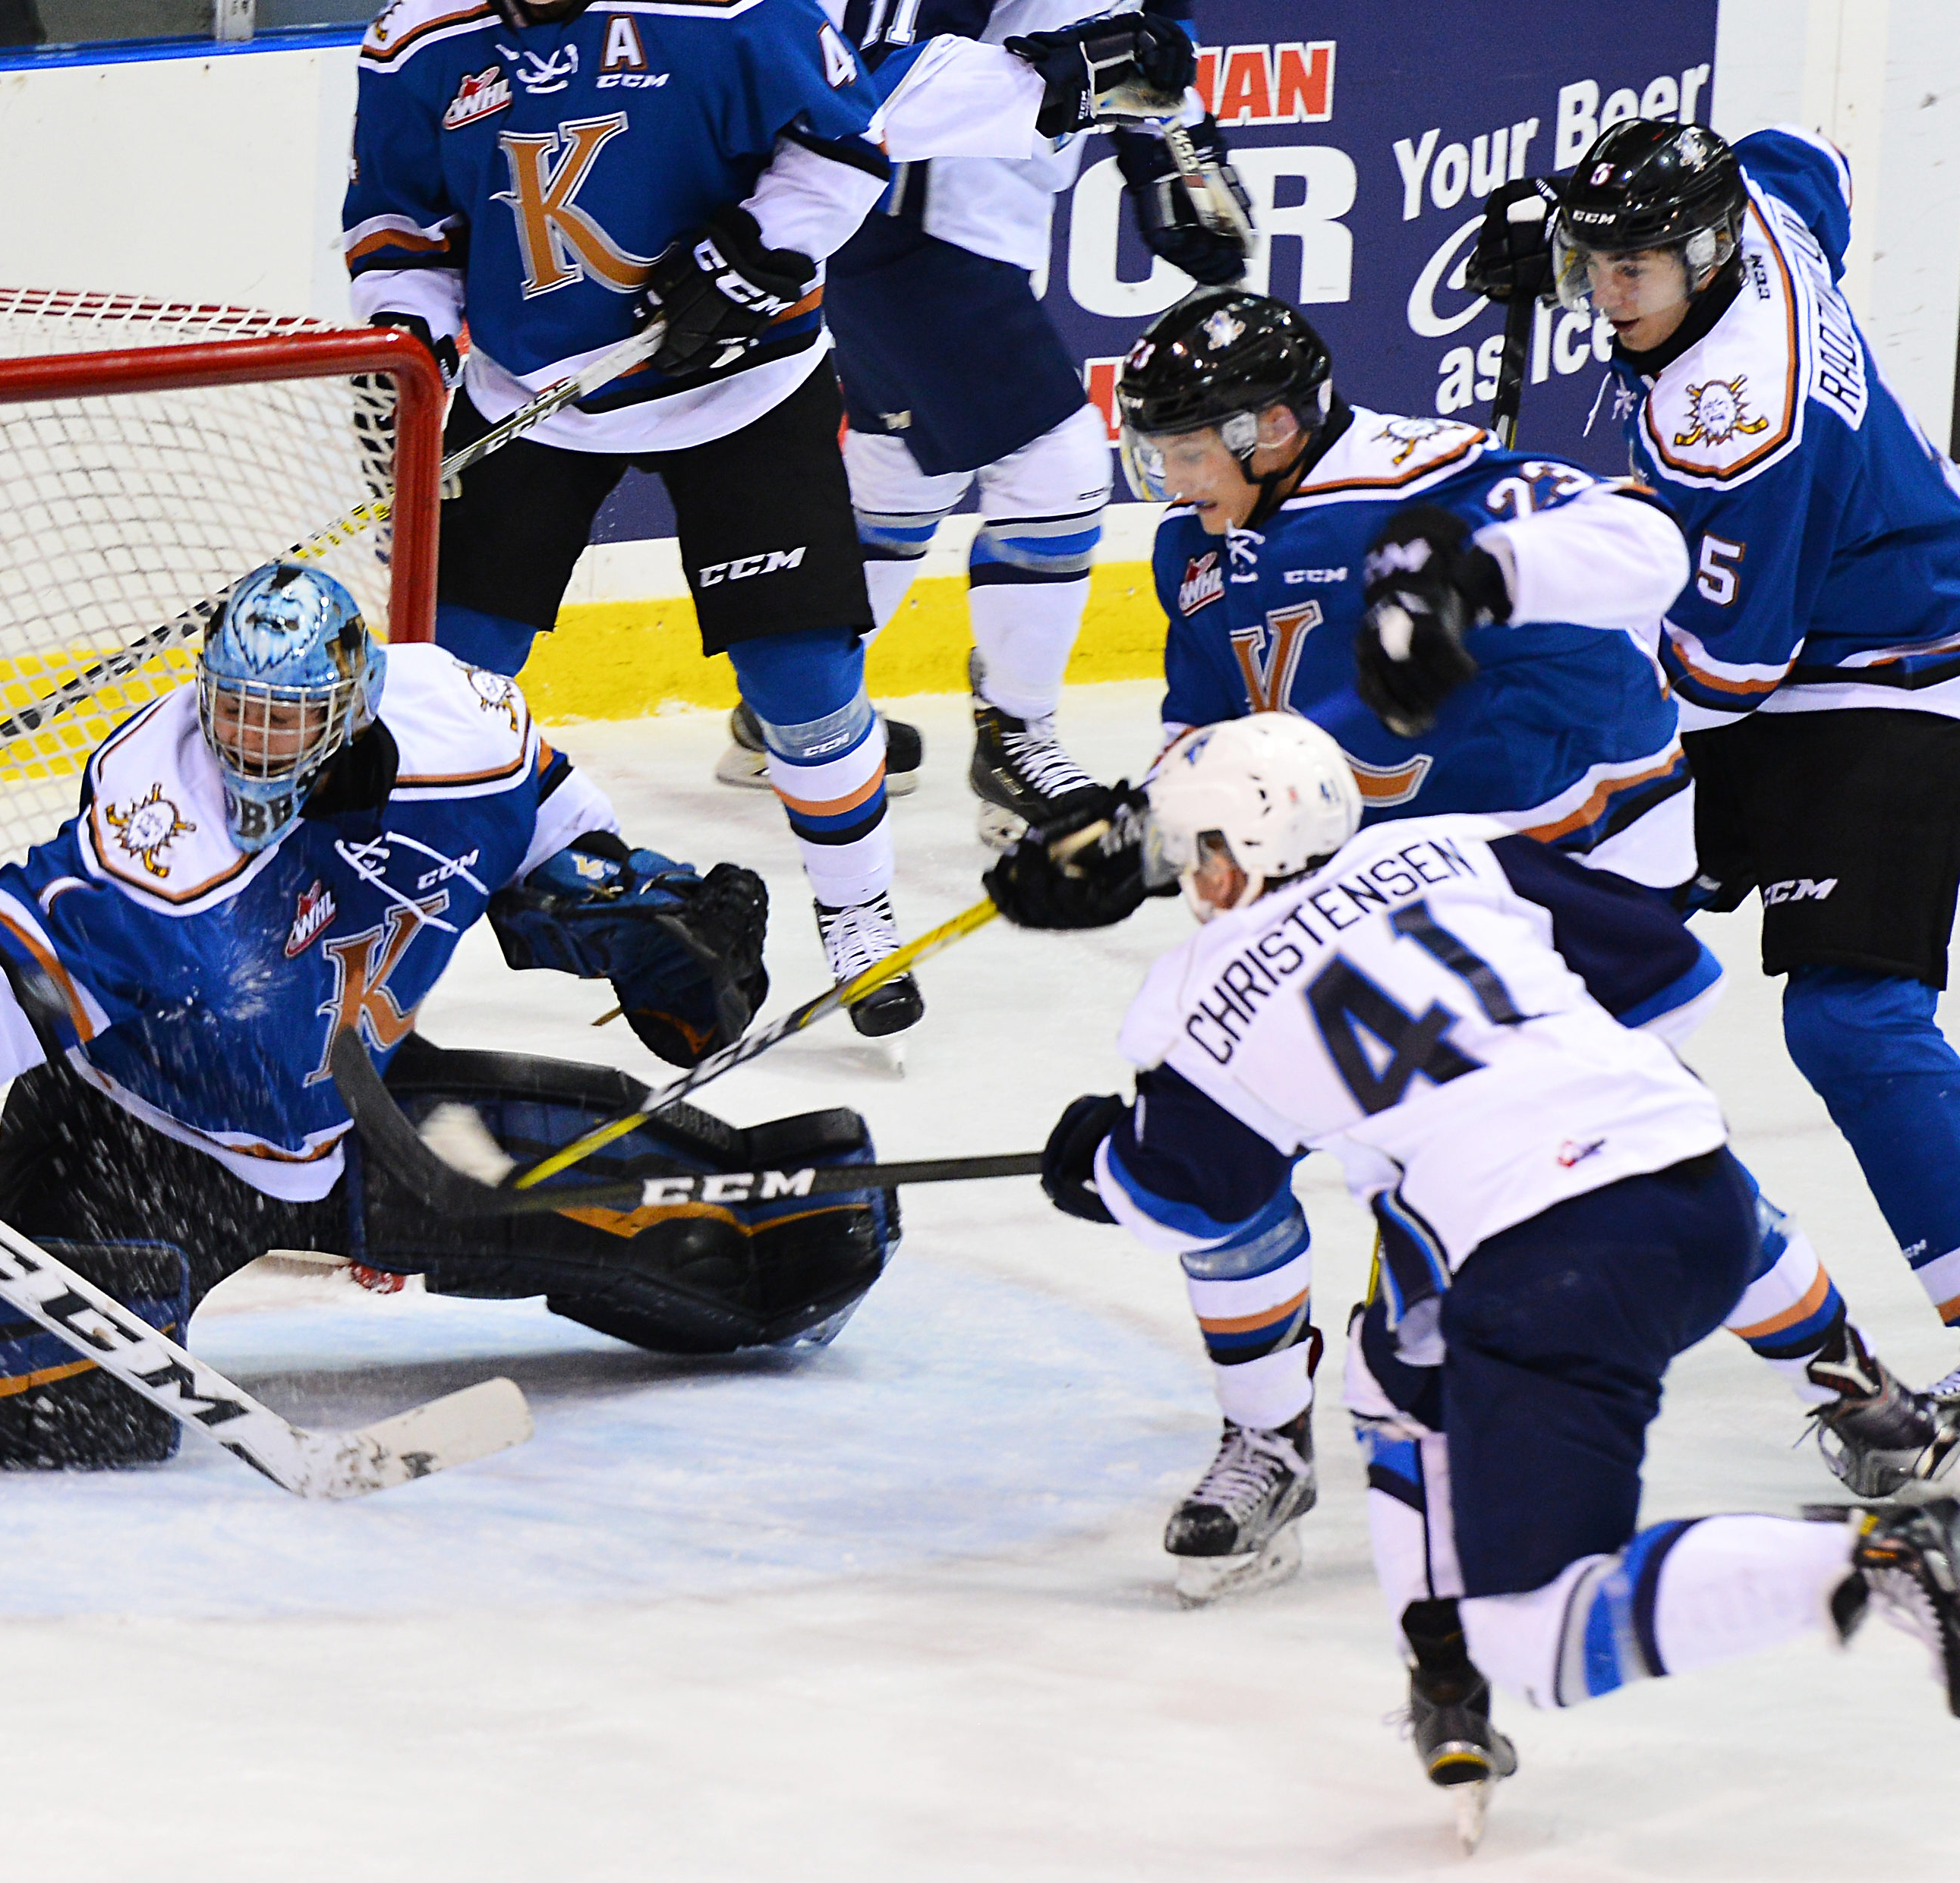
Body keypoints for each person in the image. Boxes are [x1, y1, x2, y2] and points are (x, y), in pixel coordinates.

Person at [985, 288, 1948, 1598]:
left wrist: (1476, 575)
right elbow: (1210, 730)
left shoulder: (1432, 484)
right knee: (1220, 1111)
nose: (1169, 480)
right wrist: (1138, 833)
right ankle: (1265, 1436)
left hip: (1565, 864)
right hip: (1362, 878)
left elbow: (1645, 548)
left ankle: (1843, 1379)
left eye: (1187, 451)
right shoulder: (1192, 550)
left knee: (1612, 1144)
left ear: (1272, 429)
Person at [1030, 712, 1956, 1834]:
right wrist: (1527, 1074)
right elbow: (1675, 980)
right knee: (1395, 1364)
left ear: (1232, 856)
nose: (1190, 880)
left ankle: (1878, 1559)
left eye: (1194, 855)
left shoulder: (1195, 998)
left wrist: (1095, 1157)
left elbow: (1187, 1203)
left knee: (1542, 1636)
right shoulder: (1451, 847)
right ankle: (1452, 1664)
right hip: (1708, 1201)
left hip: (1549, 1274)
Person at [342, 0, 1199, 1034]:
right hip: (533, 393)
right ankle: (412, 922)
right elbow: (398, 228)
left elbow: (849, 129)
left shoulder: (730, 9)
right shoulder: (416, 39)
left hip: (748, 386)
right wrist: (409, 350)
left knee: (803, 682)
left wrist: (760, 249)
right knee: (444, 685)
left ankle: (858, 912)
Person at [0, 561, 887, 1352]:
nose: (255, 745)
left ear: (354, 702)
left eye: (288, 720)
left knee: (727, 1239)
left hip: (361, 1109)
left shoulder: (460, 729)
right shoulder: (161, 824)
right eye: (238, 712)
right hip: (140, 1144)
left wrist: (650, 912)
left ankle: (788, 1240)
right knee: (49, 1390)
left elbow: (557, 843)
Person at [1482, 121, 1960, 1384]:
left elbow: (1716, 678)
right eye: (1592, 264)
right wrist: (1576, 235)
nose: (1605, 295)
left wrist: (1536, 676)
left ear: (1706, 258)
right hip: (1801, 627)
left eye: (1630, 270)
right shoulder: (1752, 202)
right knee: (1552, 967)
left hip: (1895, 661)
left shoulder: (1739, 422)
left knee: (1851, 1022)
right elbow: (1816, 160)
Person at [718, 0, 1246, 851]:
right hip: (901, 218)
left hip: (983, 224)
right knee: (1056, 461)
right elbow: (864, 73)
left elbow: (1147, 34)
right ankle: (1017, 738)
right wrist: (1069, 84)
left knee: (904, 478)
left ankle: (790, 707)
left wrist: (1174, 152)